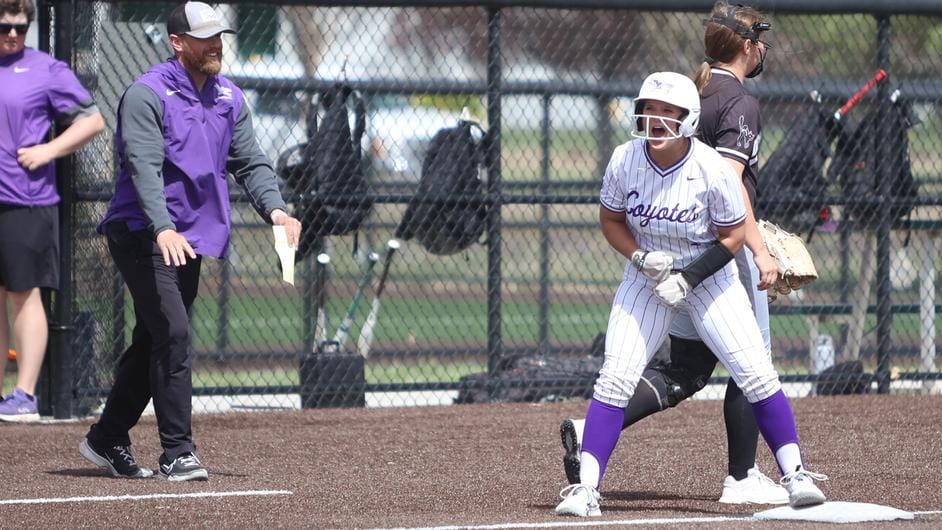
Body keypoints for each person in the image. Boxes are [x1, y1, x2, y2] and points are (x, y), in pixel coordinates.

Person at [554, 71, 827, 517]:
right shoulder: (625, 158)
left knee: (755, 372)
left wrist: (692, 276)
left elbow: (735, 235)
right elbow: (611, 221)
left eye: (668, 112)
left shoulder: (711, 168)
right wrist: (640, 258)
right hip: (648, 278)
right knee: (615, 377)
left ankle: (795, 475)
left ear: (690, 118)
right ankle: (585, 489)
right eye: (649, 109)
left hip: (710, 279)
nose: (655, 119)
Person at [78, 1, 302, 480]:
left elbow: (251, 162)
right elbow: (144, 166)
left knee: (156, 337)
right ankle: (177, 452)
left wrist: (277, 210)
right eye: (205, 36)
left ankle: (106, 437)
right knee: (173, 333)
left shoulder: (230, 99)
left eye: (219, 35)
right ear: (178, 43)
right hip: (142, 231)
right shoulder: (147, 94)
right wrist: (162, 226)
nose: (216, 44)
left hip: (191, 237)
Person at [0, 0, 105, 422]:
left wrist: (49, 150)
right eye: (4, 26)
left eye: (20, 28)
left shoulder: (46, 69)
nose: (12, 34)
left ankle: (24, 394)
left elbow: (91, 120)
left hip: (26, 200)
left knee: (25, 294)